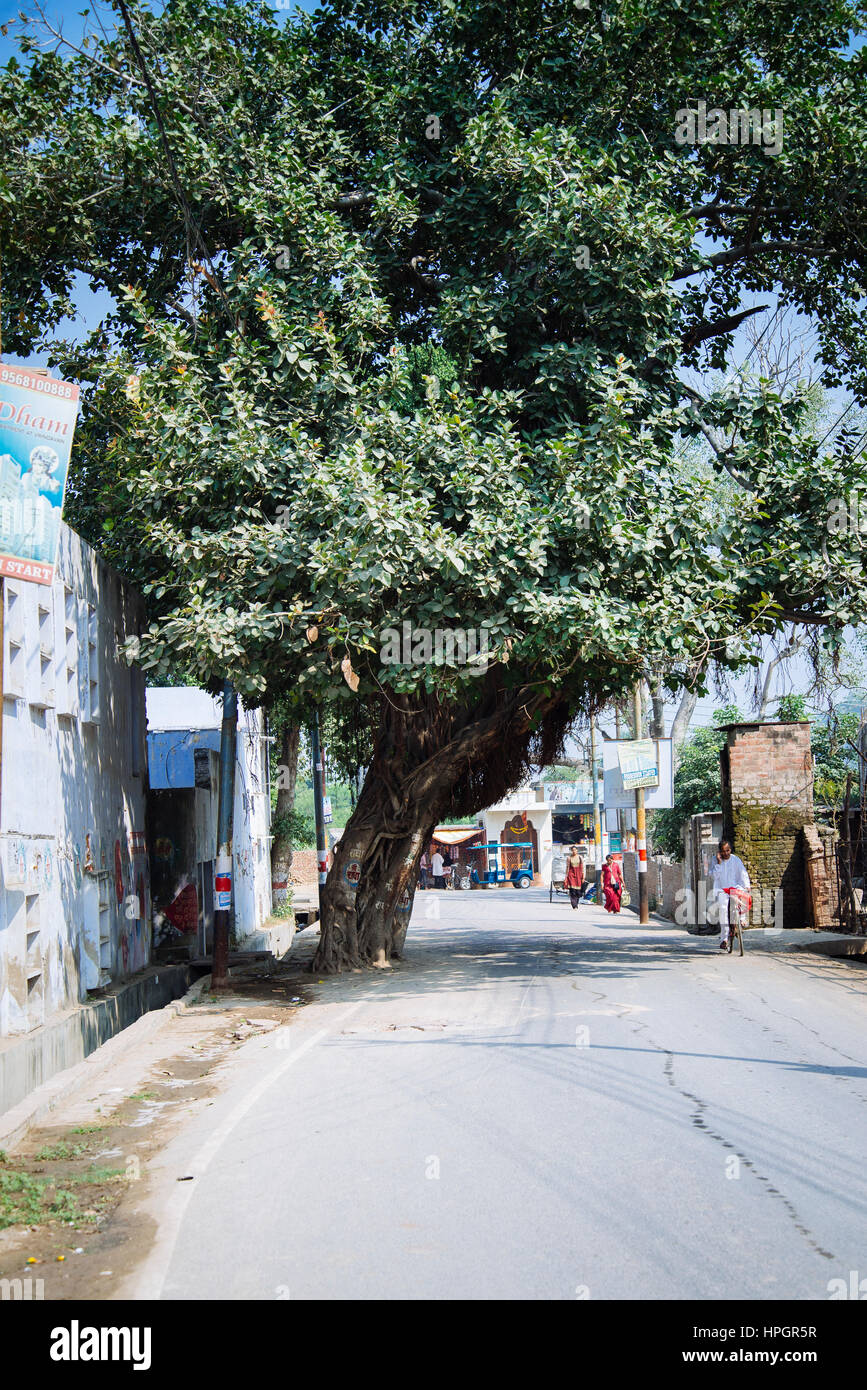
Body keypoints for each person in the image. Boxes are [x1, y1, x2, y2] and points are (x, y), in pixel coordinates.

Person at [708, 839, 751, 950]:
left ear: (730, 850)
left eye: (727, 850)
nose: (726, 853)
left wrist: (747, 885)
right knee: (723, 910)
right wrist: (718, 863)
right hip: (721, 889)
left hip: (735, 887)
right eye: (723, 851)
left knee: (743, 895)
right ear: (720, 852)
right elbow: (714, 877)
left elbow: (743, 873)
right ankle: (725, 939)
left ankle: (742, 918)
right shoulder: (714, 860)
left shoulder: (735, 860)